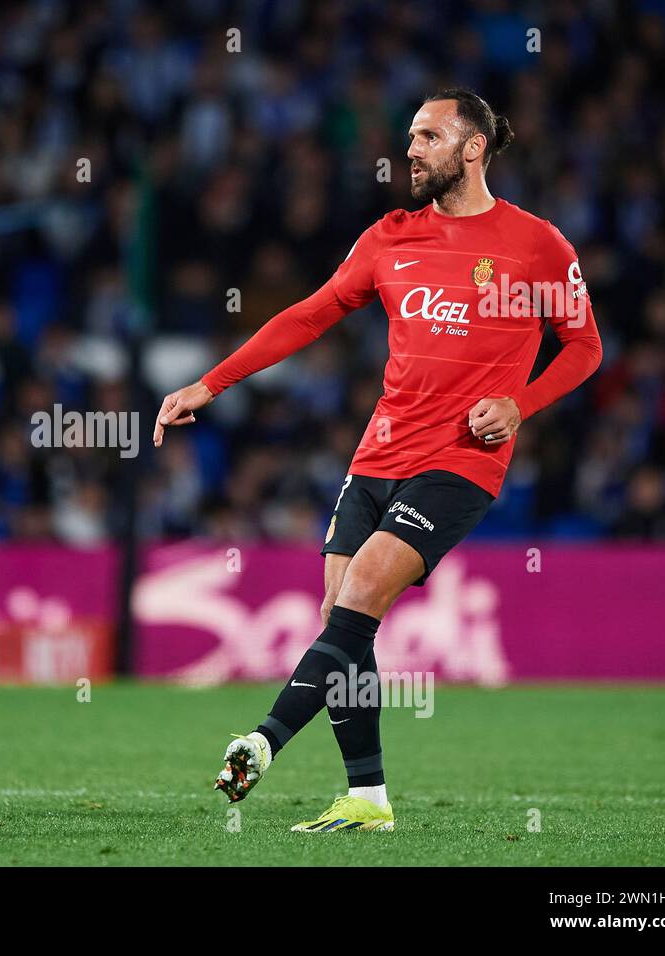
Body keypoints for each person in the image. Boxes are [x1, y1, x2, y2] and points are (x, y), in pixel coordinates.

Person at [152, 89, 602, 832]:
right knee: (341, 622)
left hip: (460, 463)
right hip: (377, 457)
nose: (411, 149)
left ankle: (262, 741)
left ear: (473, 148)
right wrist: (210, 383)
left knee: (358, 594)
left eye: (428, 136)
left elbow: (584, 346)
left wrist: (520, 405)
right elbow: (309, 314)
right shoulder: (389, 237)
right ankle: (368, 798)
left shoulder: (536, 245)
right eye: (411, 136)